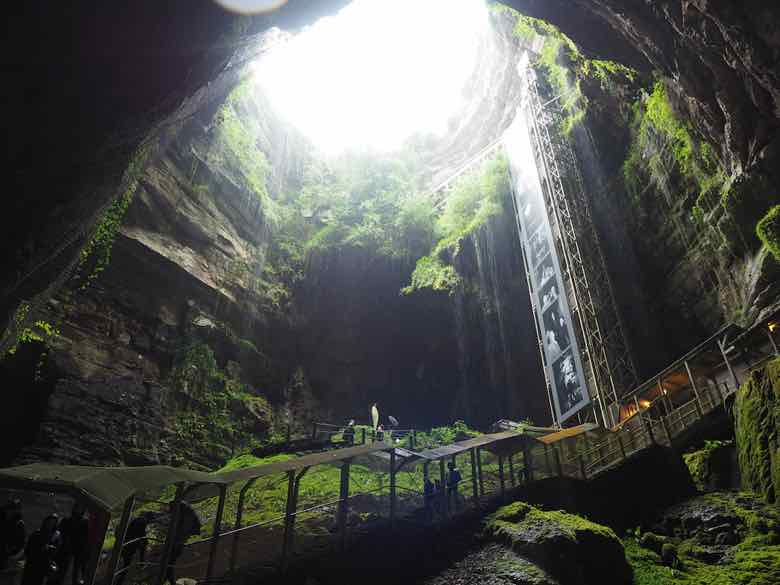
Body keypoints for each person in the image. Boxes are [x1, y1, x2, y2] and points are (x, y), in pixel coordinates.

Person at [165, 503, 201, 585]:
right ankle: (170, 580)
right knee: (170, 562)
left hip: (180, 541)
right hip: (180, 540)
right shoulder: (186, 514)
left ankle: (170, 580)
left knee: (170, 561)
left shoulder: (187, 517)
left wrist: (178, 539)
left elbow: (184, 530)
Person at [115, 512, 155, 585]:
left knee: (125, 563)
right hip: (128, 545)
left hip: (126, 543)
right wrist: (145, 543)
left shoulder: (138, 520)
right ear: (149, 519)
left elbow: (141, 534)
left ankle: (141, 564)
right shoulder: (142, 522)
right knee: (126, 565)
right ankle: (118, 581)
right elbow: (142, 534)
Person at [53, 503, 88, 585]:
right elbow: (60, 534)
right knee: (61, 572)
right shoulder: (66, 520)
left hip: (77, 552)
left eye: (80, 508)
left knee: (74, 573)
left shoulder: (85, 523)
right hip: (65, 551)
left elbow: (84, 538)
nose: (78, 510)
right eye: (77, 507)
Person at [22, 515, 60, 585]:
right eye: (49, 522)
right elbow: (28, 550)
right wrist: (41, 548)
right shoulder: (37, 534)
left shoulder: (55, 537)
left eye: (53, 523)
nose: (50, 525)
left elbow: (55, 552)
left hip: (43, 568)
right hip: (32, 565)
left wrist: (50, 549)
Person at [0, 499, 26, 570]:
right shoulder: (2, 520)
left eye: (14, 509)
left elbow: (21, 542)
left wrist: (13, 551)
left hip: (7, 554)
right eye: (10, 509)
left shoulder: (19, 524)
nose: (11, 512)